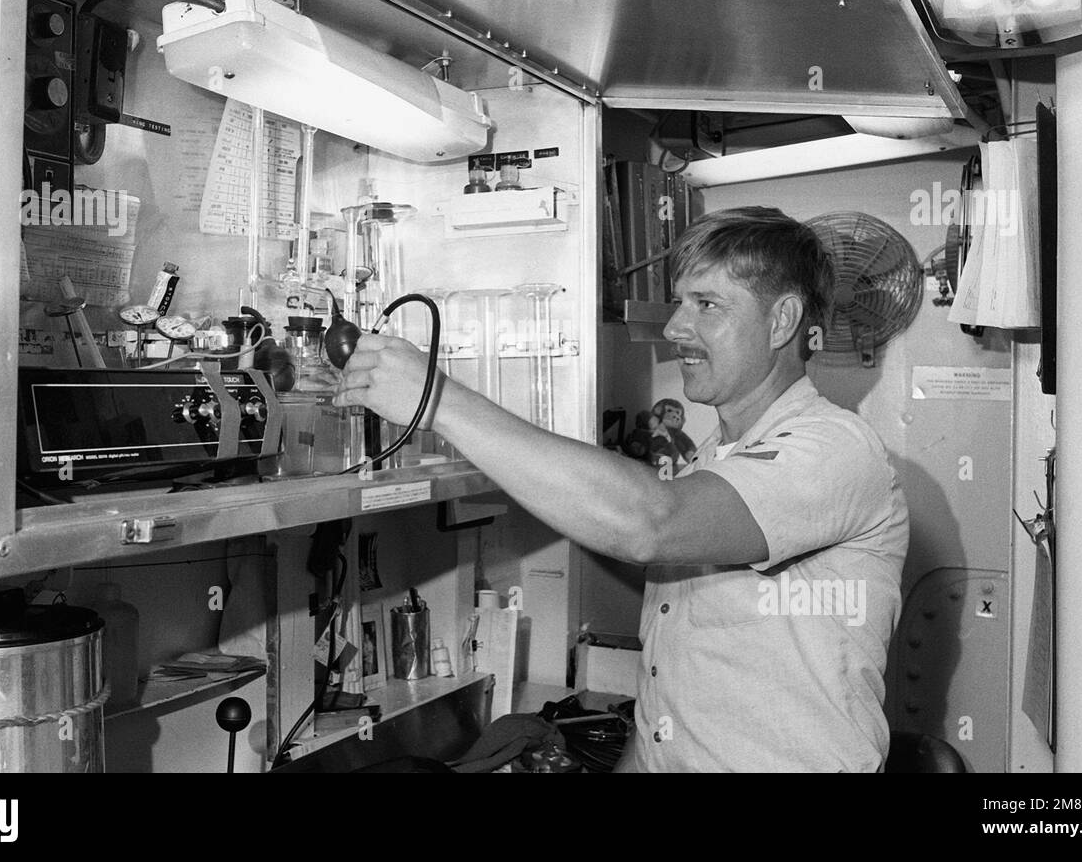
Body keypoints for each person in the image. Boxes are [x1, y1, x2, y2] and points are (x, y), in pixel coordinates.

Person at [334, 206, 909, 772]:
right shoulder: (712, 461)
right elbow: (675, 706)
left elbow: (651, 524)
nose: (676, 327)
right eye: (680, 302)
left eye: (707, 304)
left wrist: (437, 400)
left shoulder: (836, 448)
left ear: (782, 321)